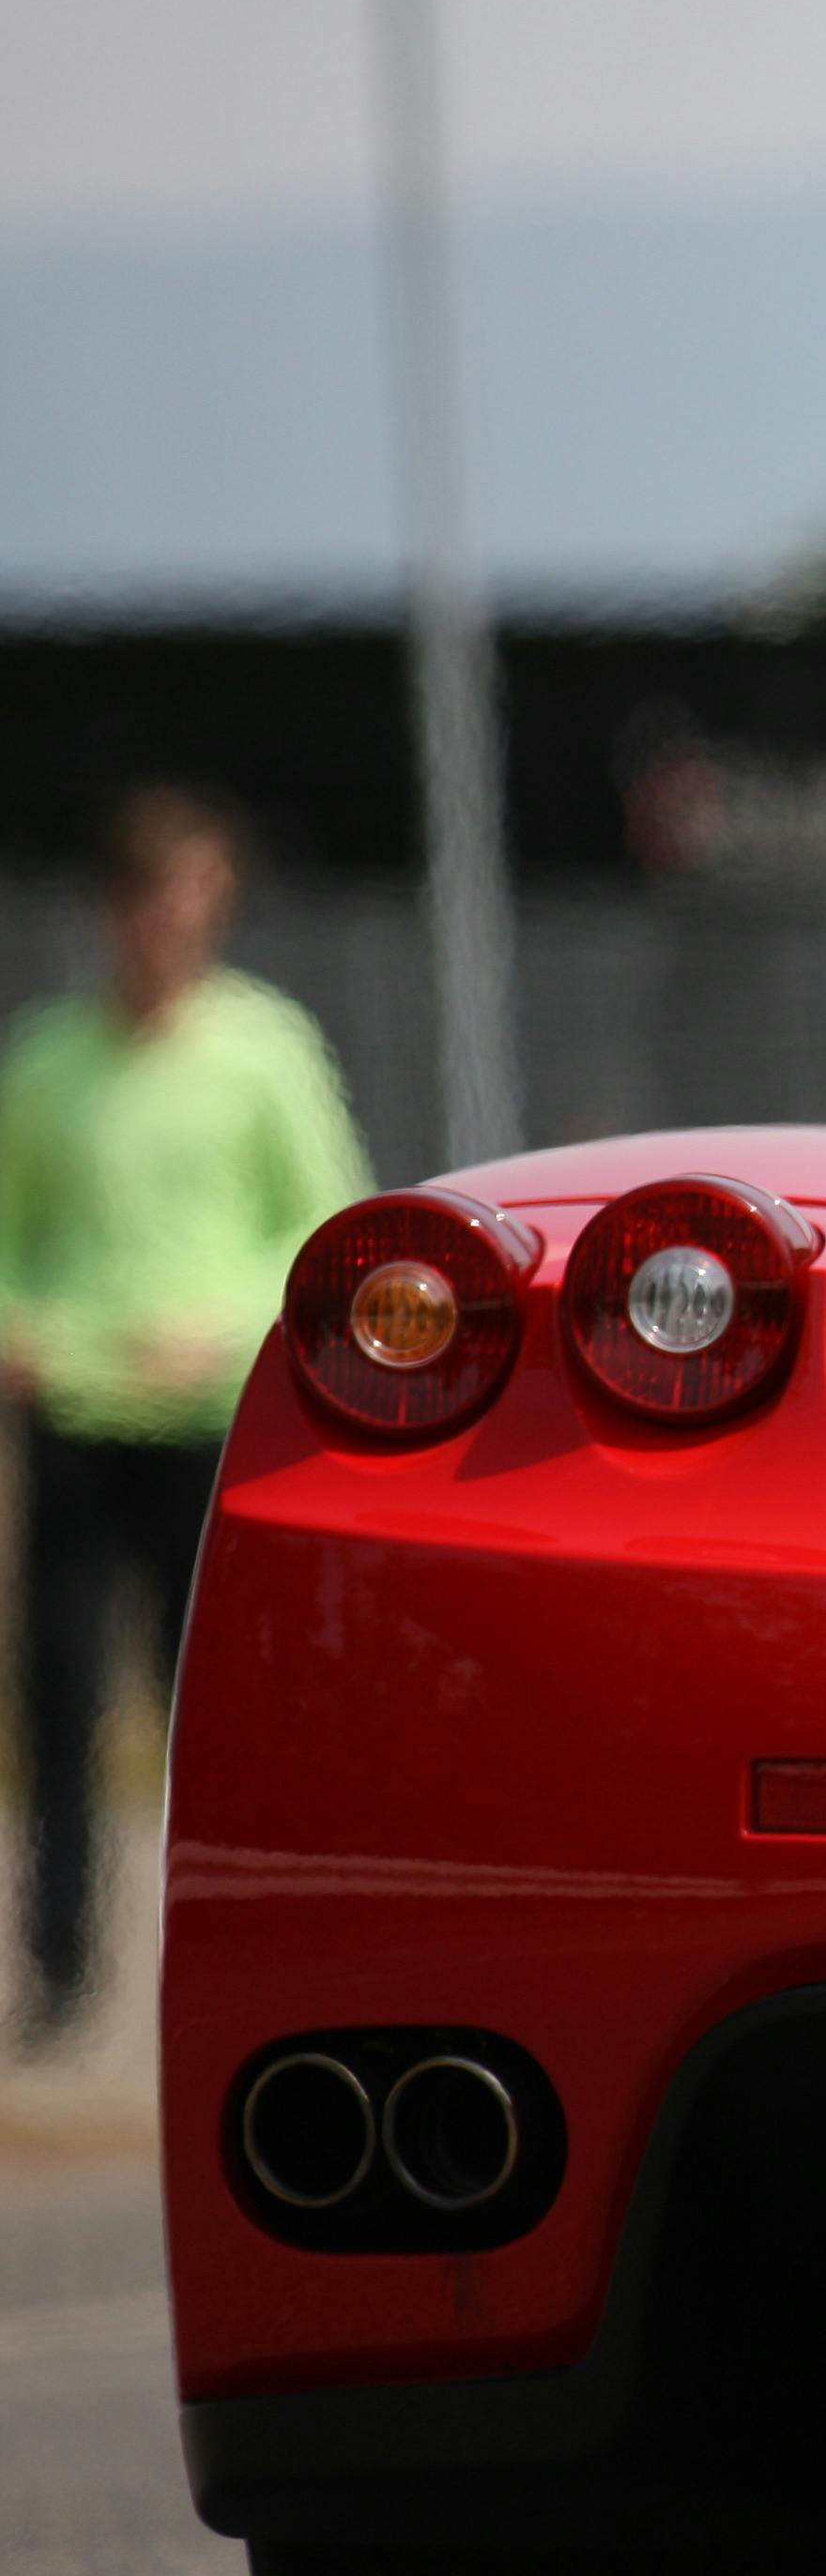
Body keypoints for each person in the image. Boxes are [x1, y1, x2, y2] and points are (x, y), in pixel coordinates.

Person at [0, 790, 370, 2042]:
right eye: (151, 897)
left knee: (206, 1701)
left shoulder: (266, 1049)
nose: (172, 923)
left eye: (196, 897)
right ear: (116, 910)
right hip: (73, 1411)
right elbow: (9, 1234)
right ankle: (57, 1970)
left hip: (210, 1414)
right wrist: (18, 1321)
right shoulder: (47, 1060)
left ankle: (238, 1953)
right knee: (55, 1694)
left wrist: (223, 1322)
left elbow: (327, 1229)